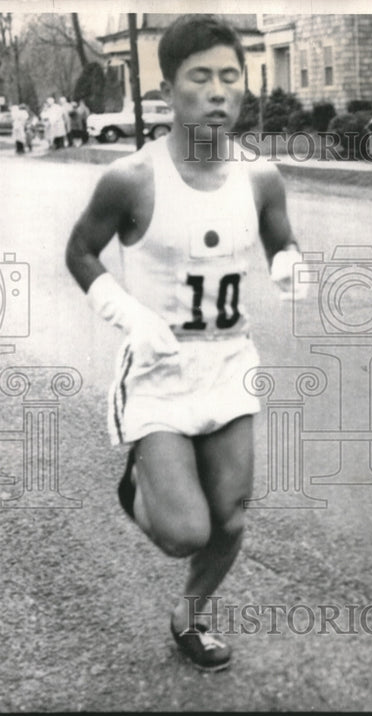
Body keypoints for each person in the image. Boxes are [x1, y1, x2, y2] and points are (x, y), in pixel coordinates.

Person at [66, 14, 301, 672]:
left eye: (231, 76)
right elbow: (80, 251)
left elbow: (281, 236)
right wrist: (128, 314)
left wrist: (289, 264)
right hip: (160, 372)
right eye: (201, 77)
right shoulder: (131, 179)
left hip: (229, 367)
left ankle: (189, 618)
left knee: (228, 522)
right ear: (168, 89)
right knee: (184, 533)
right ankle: (136, 486)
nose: (219, 91)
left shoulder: (261, 177)